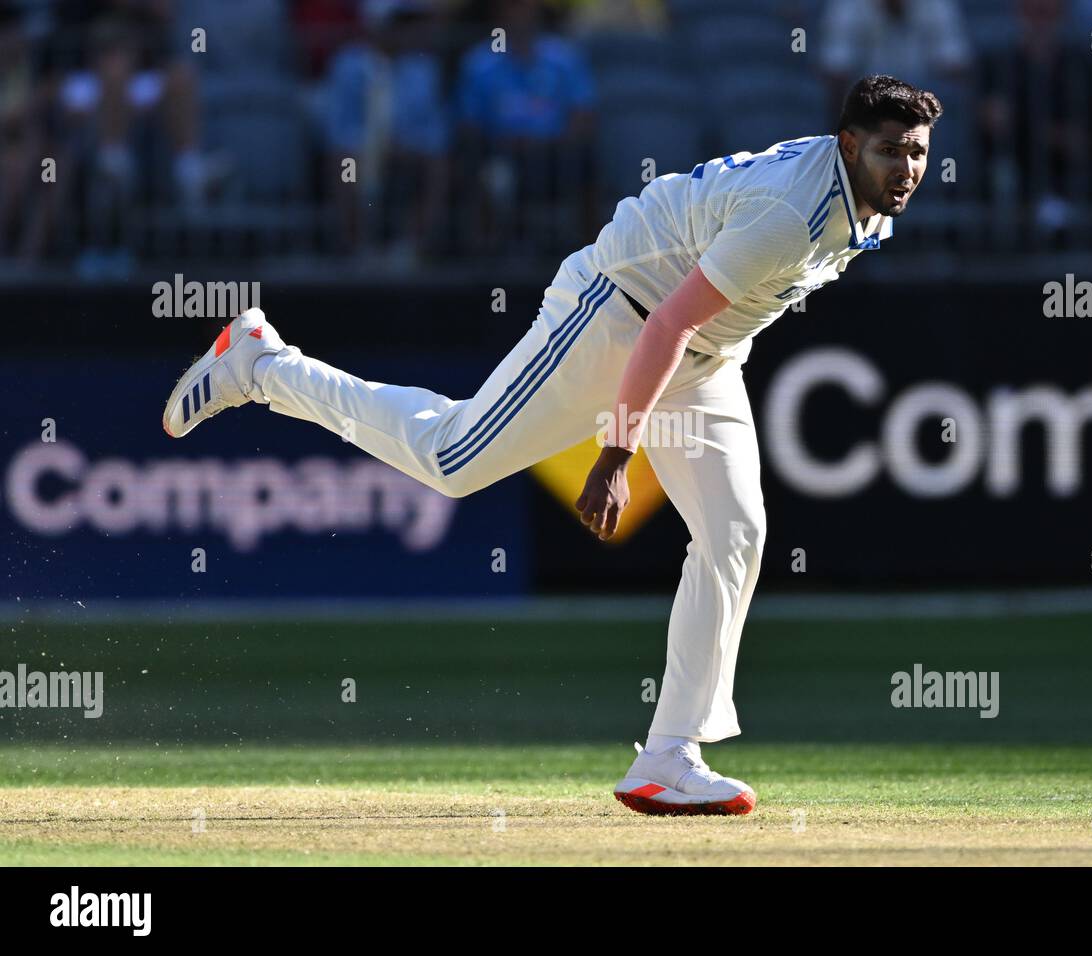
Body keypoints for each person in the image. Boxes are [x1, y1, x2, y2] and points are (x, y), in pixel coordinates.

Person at [162, 74, 942, 816]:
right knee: (452, 461)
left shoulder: (867, 202)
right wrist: (615, 455)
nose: (906, 168)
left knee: (735, 534)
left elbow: (698, 323)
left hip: (701, 353)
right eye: (888, 151)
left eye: (916, 152)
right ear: (846, 145)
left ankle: (668, 757)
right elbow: (668, 322)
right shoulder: (789, 214)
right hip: (620, 313)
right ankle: (262, 364)